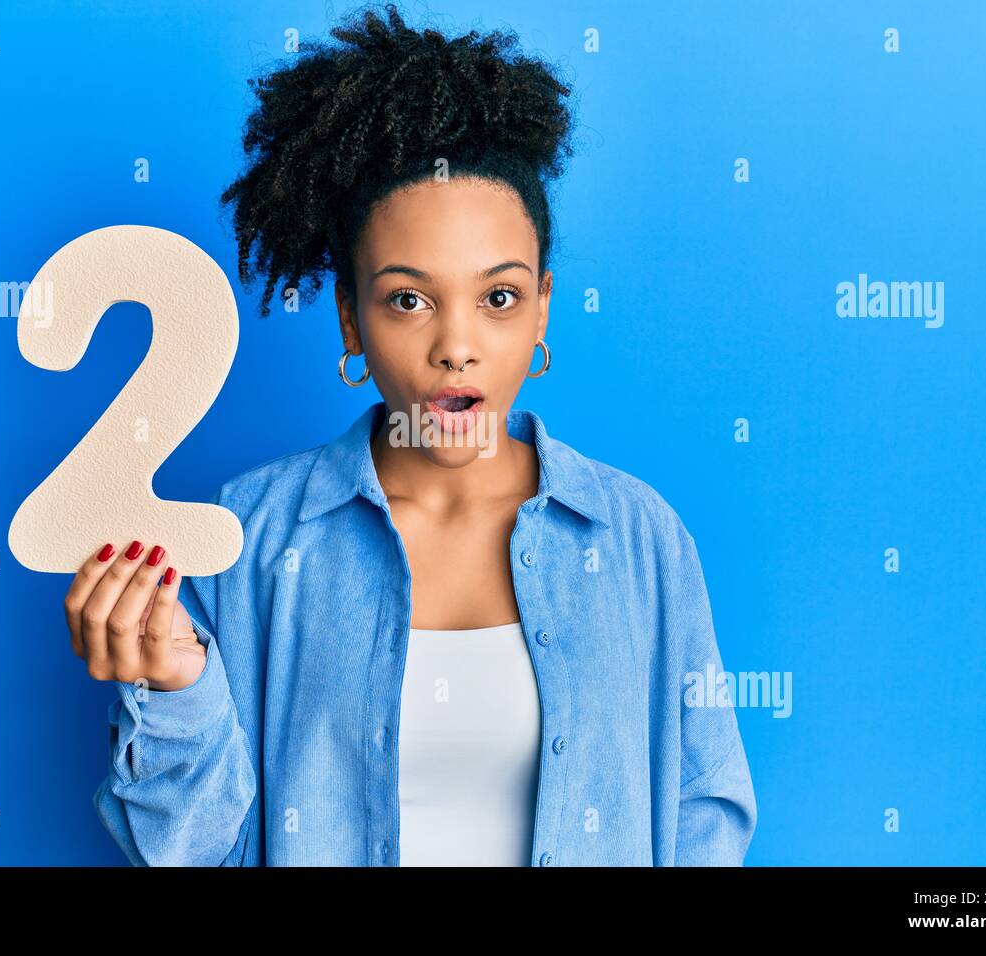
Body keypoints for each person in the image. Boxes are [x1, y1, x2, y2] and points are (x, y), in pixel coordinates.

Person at [64, 2, 756, 866]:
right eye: (407, 299)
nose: (455, 345)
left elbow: (705, 815)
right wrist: (174, 691)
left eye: (497, 297)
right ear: (350, 320)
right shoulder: (249, 541)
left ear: (542, 306)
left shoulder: (638, 538)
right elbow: (197, 853)